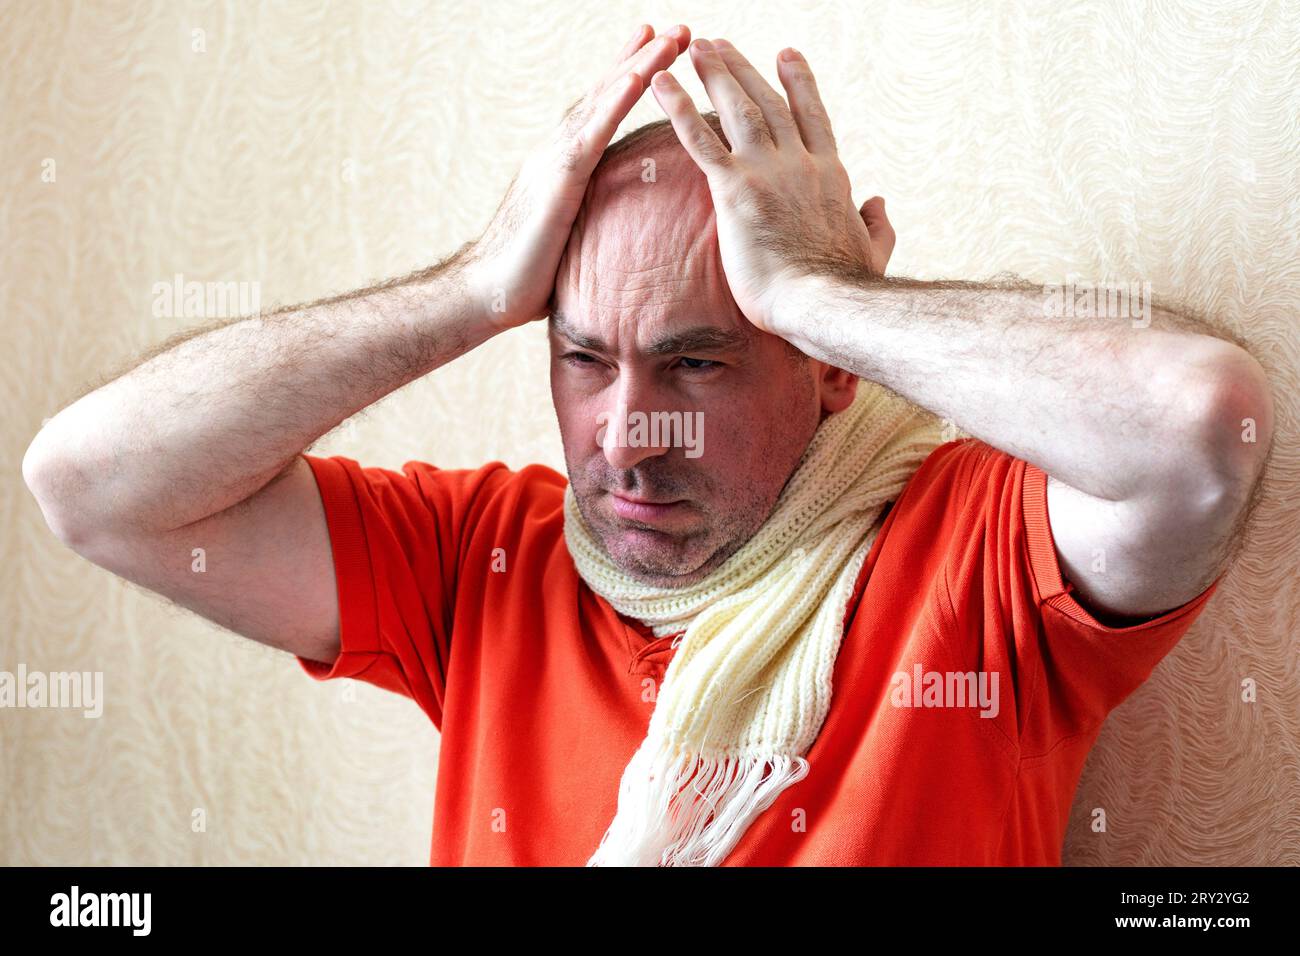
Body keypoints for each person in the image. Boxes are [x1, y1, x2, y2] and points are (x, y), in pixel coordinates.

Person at [22, 25, 1274, 866]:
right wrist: (467, 290)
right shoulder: (482, 561)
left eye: (697, 358)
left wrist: (822, 293)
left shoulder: (973, 549)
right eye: (580, 358)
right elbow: (91, 485)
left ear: (831, 366)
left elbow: (1203, 425)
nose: (626, 438)